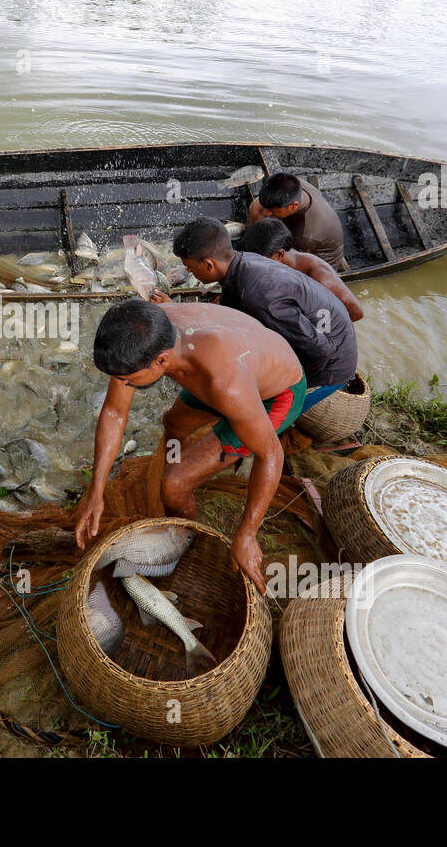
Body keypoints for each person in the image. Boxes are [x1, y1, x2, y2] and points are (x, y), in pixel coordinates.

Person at [73, 300, 305, 592]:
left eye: (128, 379)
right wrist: (97, 491)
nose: (122, 383)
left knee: (174, 485)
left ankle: (184, 532)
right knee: (173, 424)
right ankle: (183, 473)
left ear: (161, 362)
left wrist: (247, 534)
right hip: (229, 365)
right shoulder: (147, 329)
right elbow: (114, 413)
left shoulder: (224, 384)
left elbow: (271, 454)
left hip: (273, 395)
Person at [169, 217, 357, 413]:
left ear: (208, 265)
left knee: (245, 417)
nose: (189, 271)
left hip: (330, 364)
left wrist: (279, 385)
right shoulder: (241, 263)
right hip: (318, 340)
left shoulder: (260, 293)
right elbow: (226, 315)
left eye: (190, 267)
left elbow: (321, 351)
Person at [241, 218, 364, 321]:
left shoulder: (318, 274)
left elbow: (356, 312)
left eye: (261, 261)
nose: (258, 266)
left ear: (279, 255)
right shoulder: (279, 260)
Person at [248, 172, 346, 271]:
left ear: (293, 206)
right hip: (295, 228)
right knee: (257, 207)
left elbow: (291, 261)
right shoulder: (288, 184)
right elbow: (261, 207)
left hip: (315, 264)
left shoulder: (307, 235)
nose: (267, 214)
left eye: (274, 212)